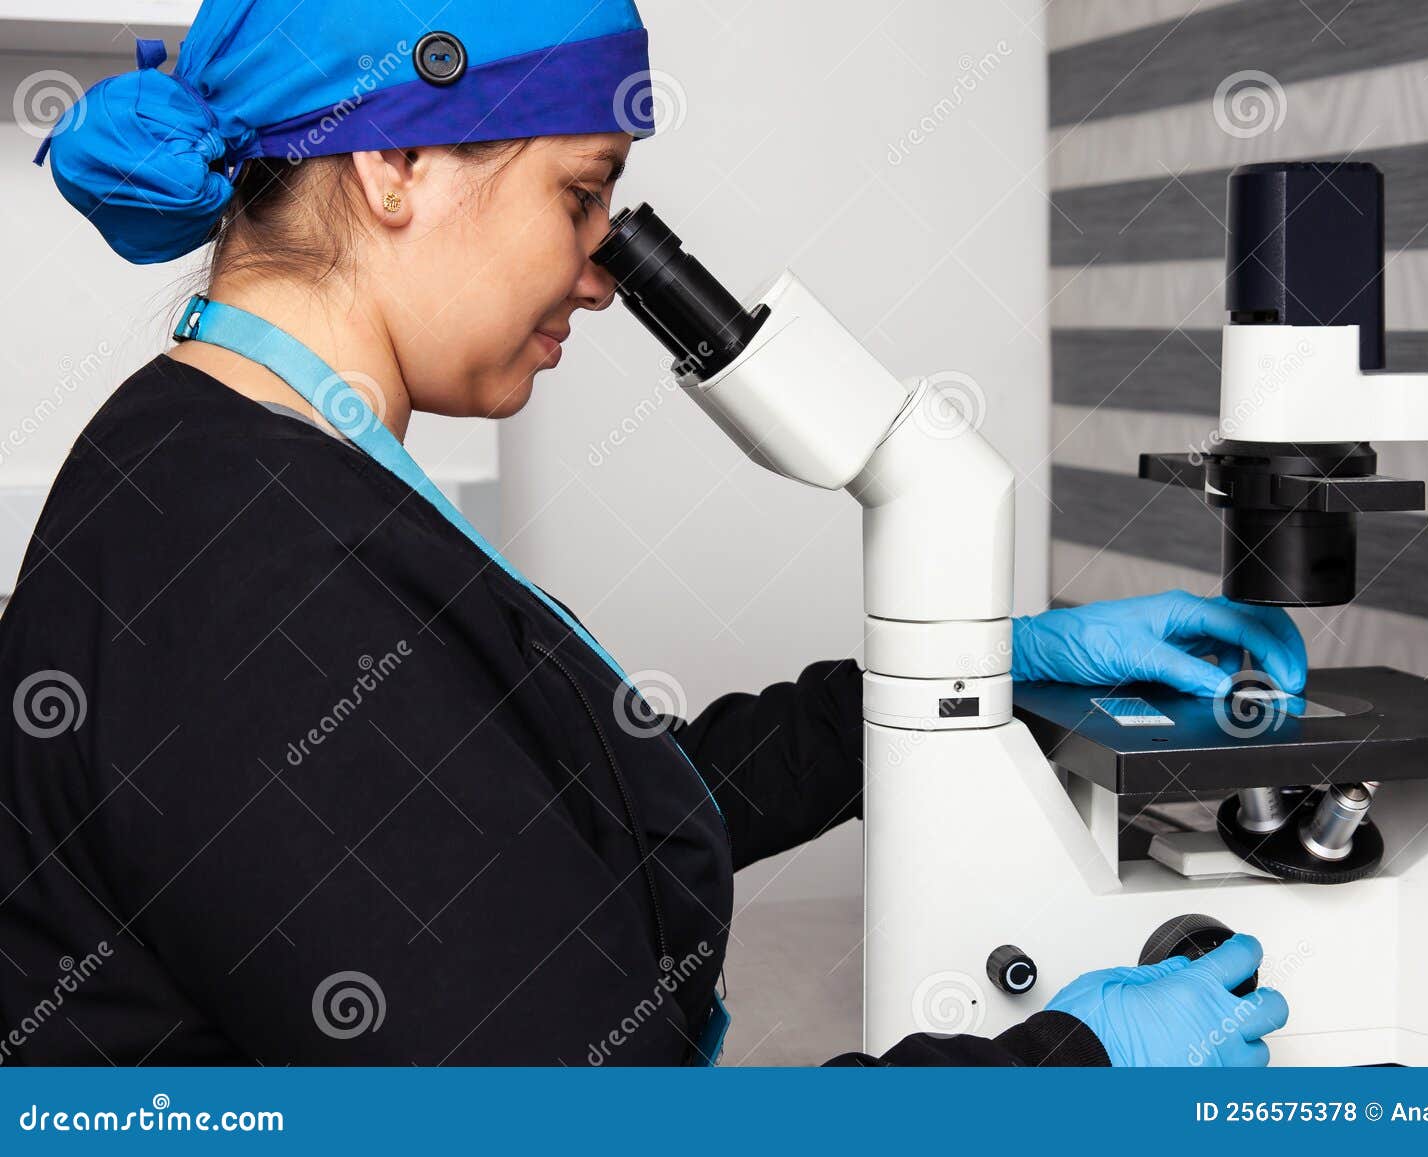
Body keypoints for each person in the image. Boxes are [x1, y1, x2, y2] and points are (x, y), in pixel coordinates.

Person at [0, 0, 1304, 1066]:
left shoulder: (213, 456)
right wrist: (1074, 1071)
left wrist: (981, 668)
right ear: (394, 164)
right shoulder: (261, 579)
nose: (598, 275)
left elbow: (559, 819)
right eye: (582, 195)